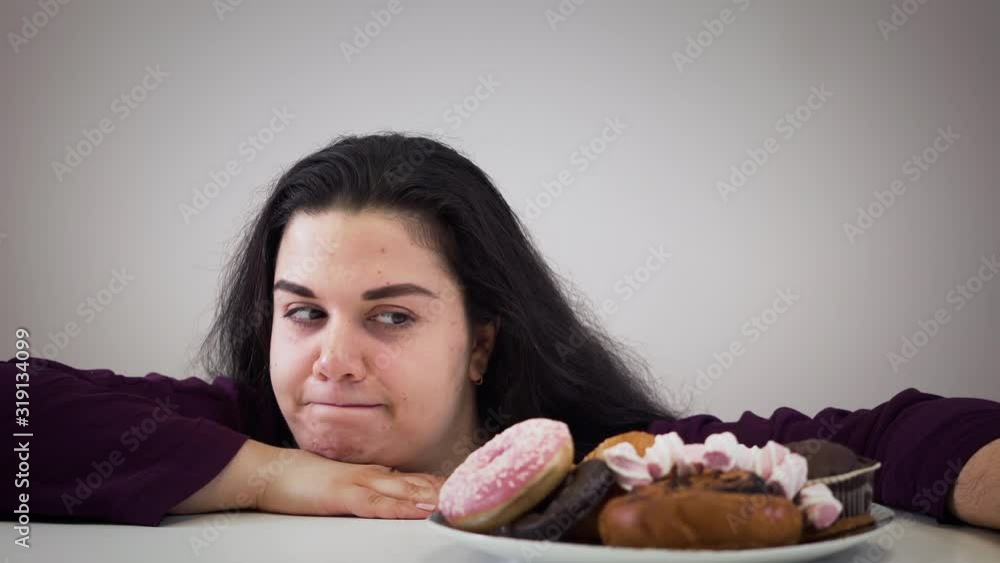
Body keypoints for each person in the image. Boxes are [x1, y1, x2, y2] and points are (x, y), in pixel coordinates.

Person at [4, 134, 998, 530]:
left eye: (389, 314)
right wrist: (270, 475)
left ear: (481, 338)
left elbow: (871, 433)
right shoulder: (216, 431)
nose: (331, 360)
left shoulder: (605, 468)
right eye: (302, 311)